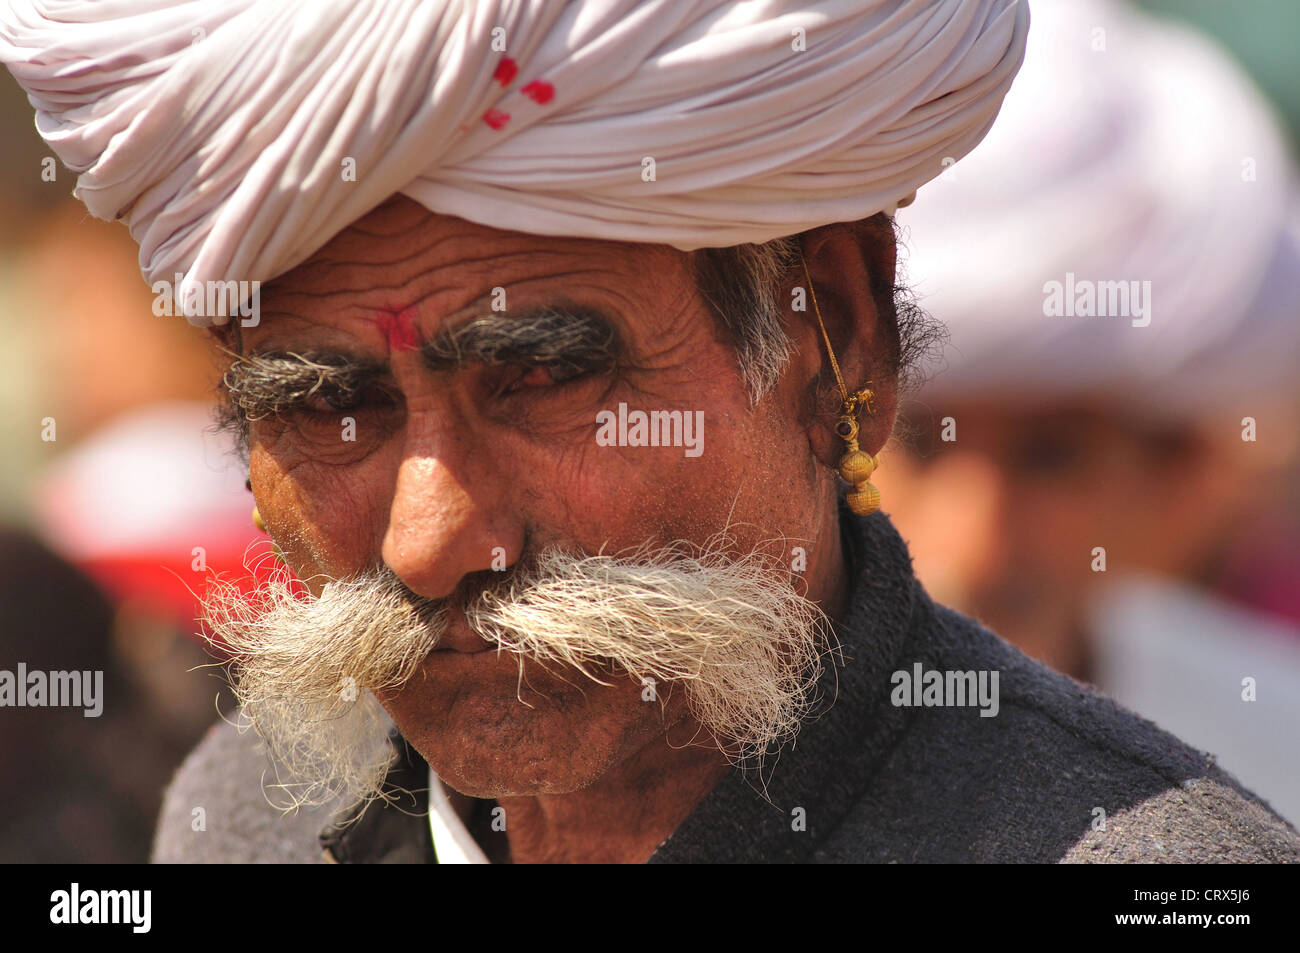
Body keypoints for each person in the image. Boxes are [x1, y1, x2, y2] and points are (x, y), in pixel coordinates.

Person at [3, 0, 1296, 864]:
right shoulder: (249, 817)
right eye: (328, 408)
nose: (435, 542)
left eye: (543, 379)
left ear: (830, 327)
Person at [873, 0, 1300, 824]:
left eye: (1050, 457)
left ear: (1170, 477)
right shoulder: (700, 760)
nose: (977, 544)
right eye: (922, 444)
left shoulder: (1273, 747)